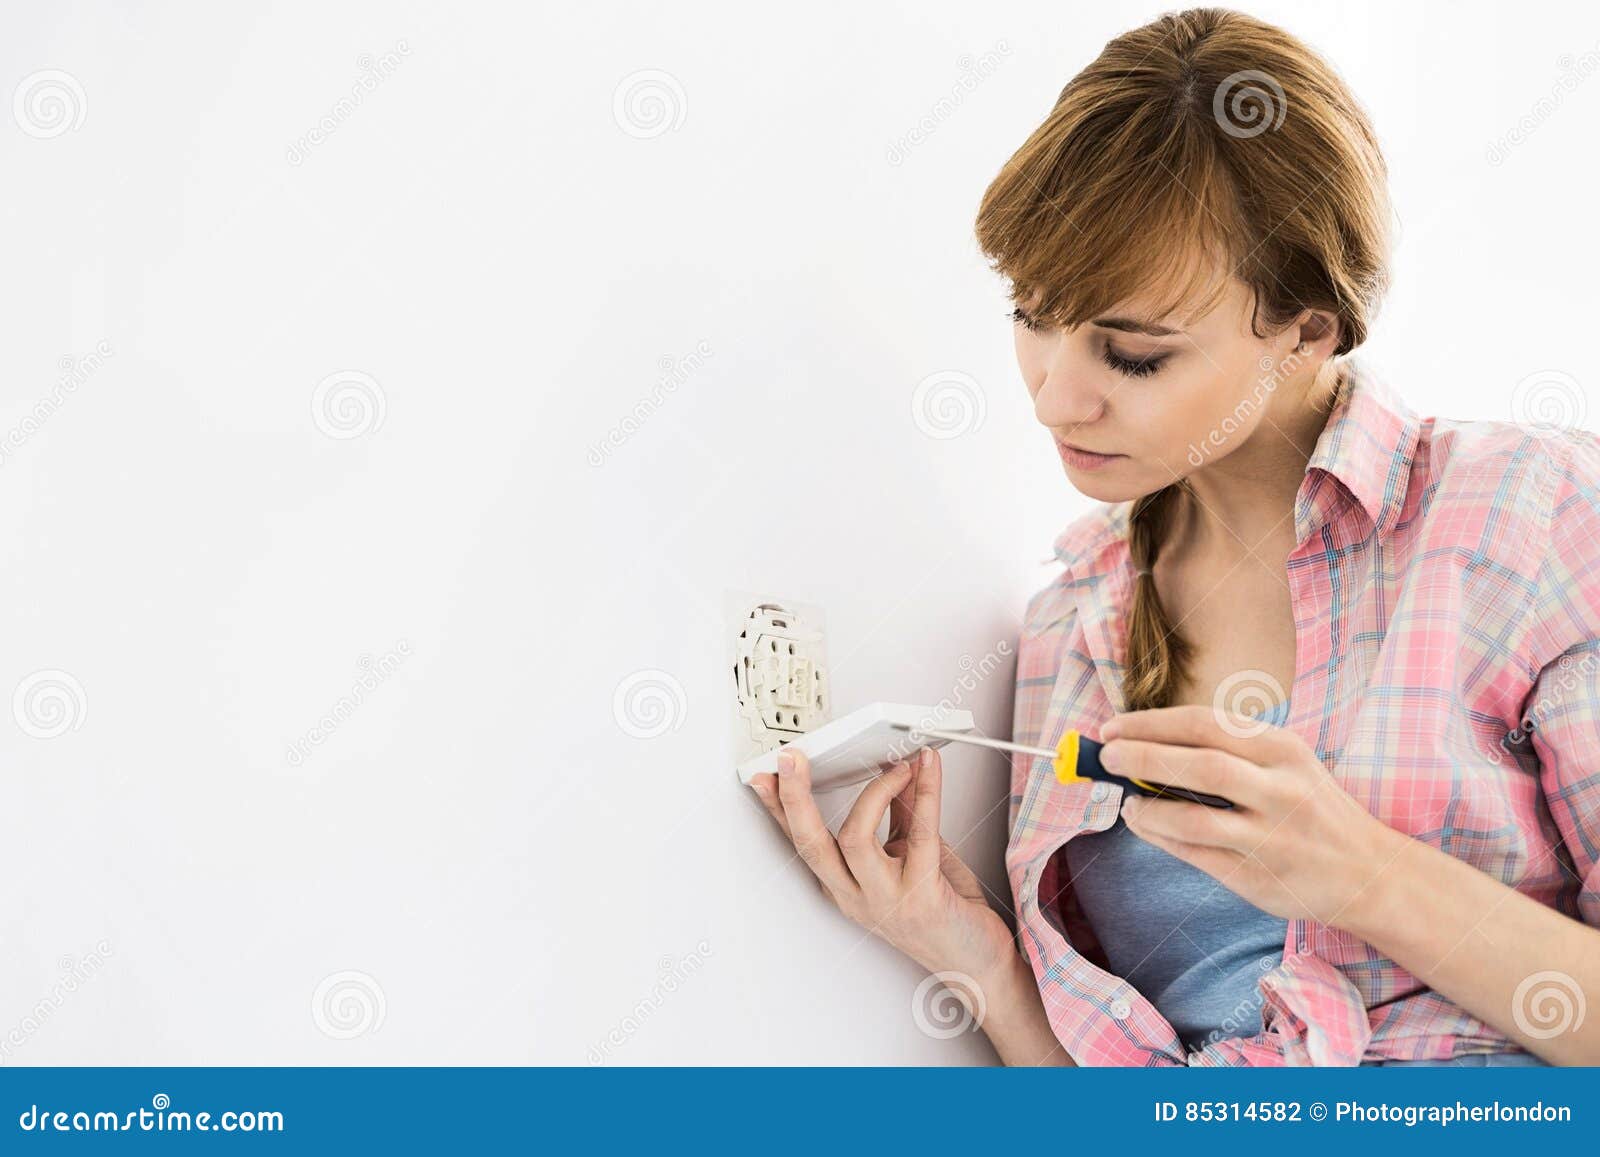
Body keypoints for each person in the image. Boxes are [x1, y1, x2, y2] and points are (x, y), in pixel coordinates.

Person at [747, 7, 1600, 1066]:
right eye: (1032, 312)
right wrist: (977, 961)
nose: (1056, 398)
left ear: (1304, 331)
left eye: (1134, 355)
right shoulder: (1074, 615)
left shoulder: (1533, 516)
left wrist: (1363, 876)